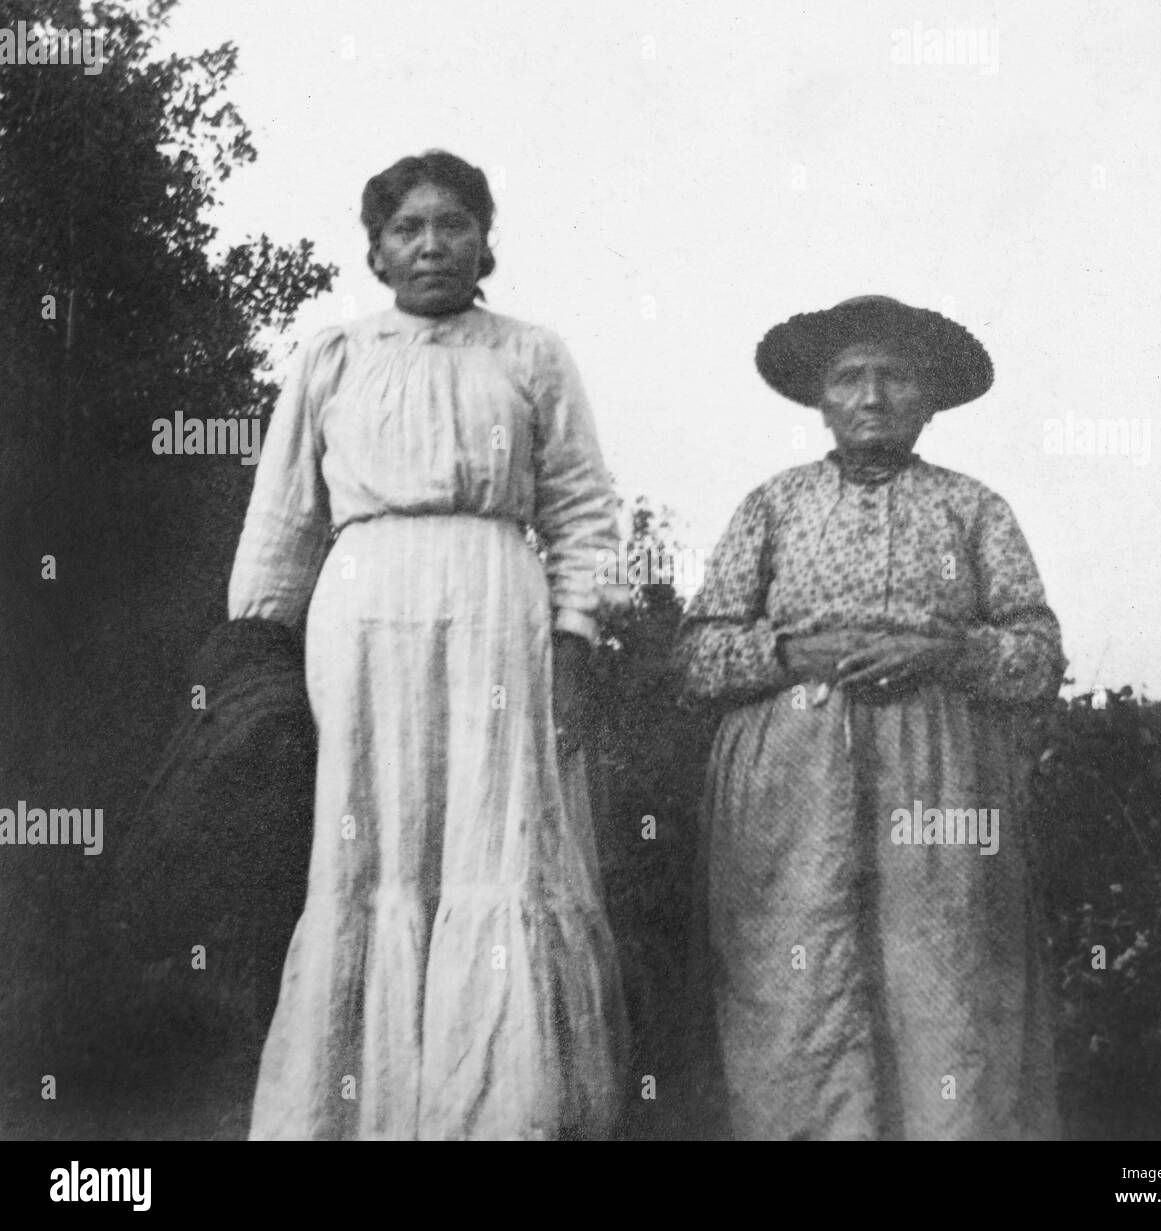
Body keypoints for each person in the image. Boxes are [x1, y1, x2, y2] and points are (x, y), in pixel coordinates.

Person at [228, 150, 627, 1140]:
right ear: (374, 252)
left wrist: (576, 635)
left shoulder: (530, 355)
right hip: (361, 616)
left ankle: (497, 1107)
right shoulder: (334, 357)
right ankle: (355, 1105)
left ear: (487, 240)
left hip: (498, 605)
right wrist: (251, 654)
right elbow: (283, 516)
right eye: (408, 229)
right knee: (371, 840)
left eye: (454, 224)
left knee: (496, 835)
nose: (433, 244)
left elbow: (581, 507)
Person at [673, 295, 1066, 1140]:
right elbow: (700, 653)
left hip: (940, 777)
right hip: (790, 786)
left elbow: (1036, 656)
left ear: (929, 400)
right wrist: (787, 657)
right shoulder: (772, 506)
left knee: (947, 980)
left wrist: (943, 654)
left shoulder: (974, 510)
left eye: (896, 376)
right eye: (851, 377)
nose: (873, 396)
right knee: (795, 989)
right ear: (821, 399)